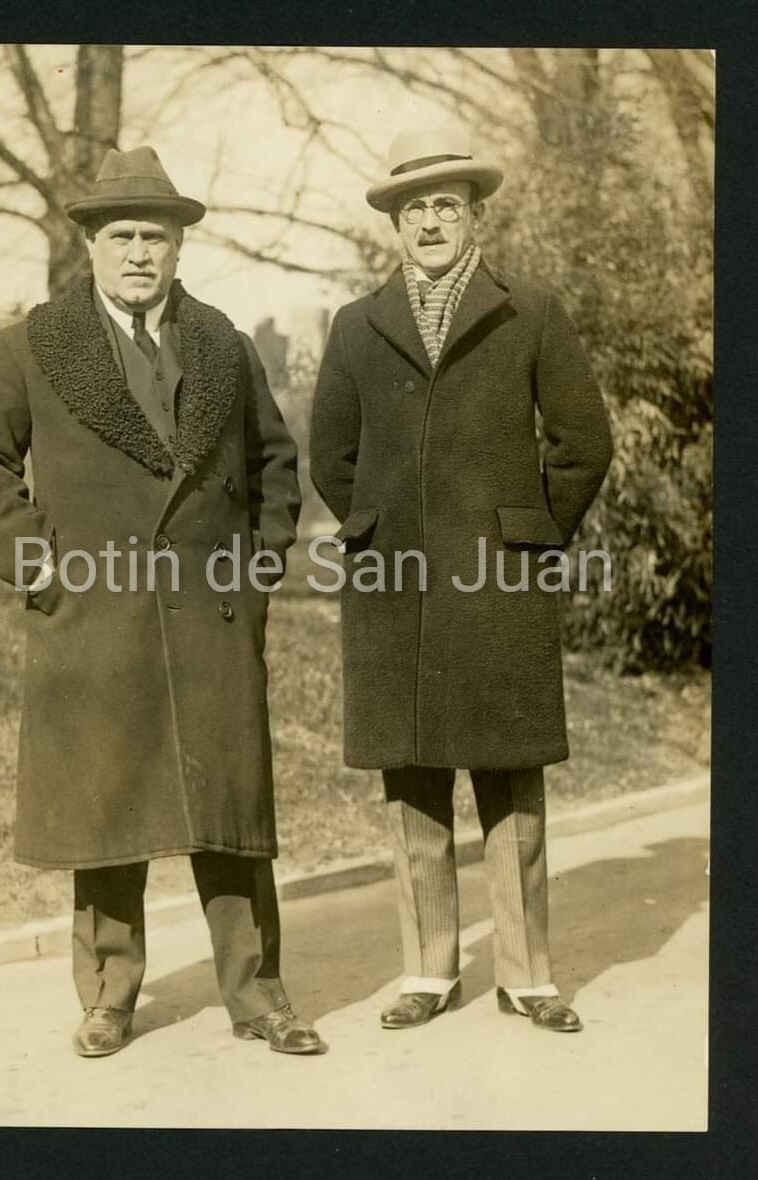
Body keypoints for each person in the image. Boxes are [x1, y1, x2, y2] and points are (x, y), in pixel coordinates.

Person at [0, 146, 325, 1057]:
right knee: (104, 808)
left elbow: (277, 463)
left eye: (154, 238)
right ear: (91, 246)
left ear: (179, 248)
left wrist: (257, 565)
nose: (138, 255)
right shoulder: (34, 344)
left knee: (230, 817)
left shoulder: (224, 344)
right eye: (121, 238)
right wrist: (38, 566)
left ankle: (258, 994)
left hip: (211, 617)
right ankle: (109, 996)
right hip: (95, 618)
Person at [309, 126, 613, 1033]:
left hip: (500, 581)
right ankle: (426, 973)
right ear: (394, 226)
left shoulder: (532, 310)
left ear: (474, 214)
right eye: (414, 208)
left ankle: (527, 977)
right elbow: (332, 453)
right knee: (411, 777)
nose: (431, 220)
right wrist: (374, 526)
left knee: (511, 775)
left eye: (447, 204)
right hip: (393, 584)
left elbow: (582, 441)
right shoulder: (356, 324)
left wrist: (530, 531)